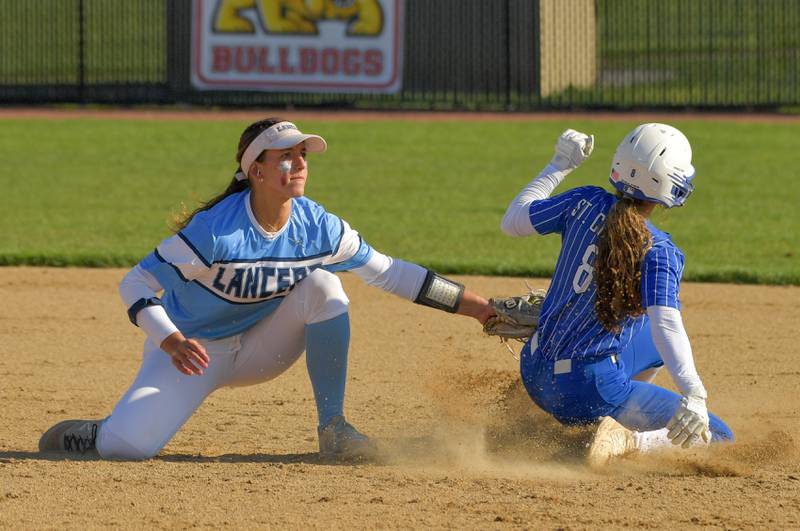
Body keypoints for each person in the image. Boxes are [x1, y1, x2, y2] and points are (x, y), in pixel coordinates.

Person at [39, 118, 494, 460]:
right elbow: (135, 282)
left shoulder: (319, 226)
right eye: (285, 156)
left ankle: (333, 428)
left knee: (325, 286)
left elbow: (392, 273)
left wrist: (480, 309)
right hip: (192, 353)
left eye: (302, 155)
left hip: (262, 349)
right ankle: (97, 432)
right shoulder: (216, 231)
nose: (298, 164)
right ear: (255, 171)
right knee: (128, 448)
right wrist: (171, 339)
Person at [500, 124, 733, 466]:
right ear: (671, 183)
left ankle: (569, 420)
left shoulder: (584, 201)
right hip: (584, 393)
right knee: (721, 437)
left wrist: (560, 164)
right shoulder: (660, 249)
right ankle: (626, 439)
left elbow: (512, 221)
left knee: (649, 341)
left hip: (534, 372)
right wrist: (695, 395)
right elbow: (667, 324)